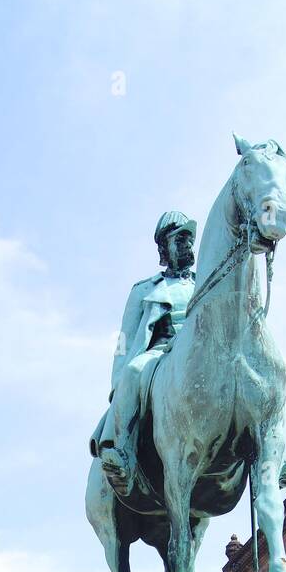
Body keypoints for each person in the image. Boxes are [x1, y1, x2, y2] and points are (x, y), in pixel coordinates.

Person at [90, 210, 196, 495]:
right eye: (180, 238)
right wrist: (120, 382)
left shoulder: (205, 282)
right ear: (164, 247)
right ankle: (122, 453)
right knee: (135, 370)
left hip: (201, 353)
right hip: (160, 355)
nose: (187, 244)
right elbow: (124, 340)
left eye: (190, 238)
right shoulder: (143, 290)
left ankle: (268, 450)